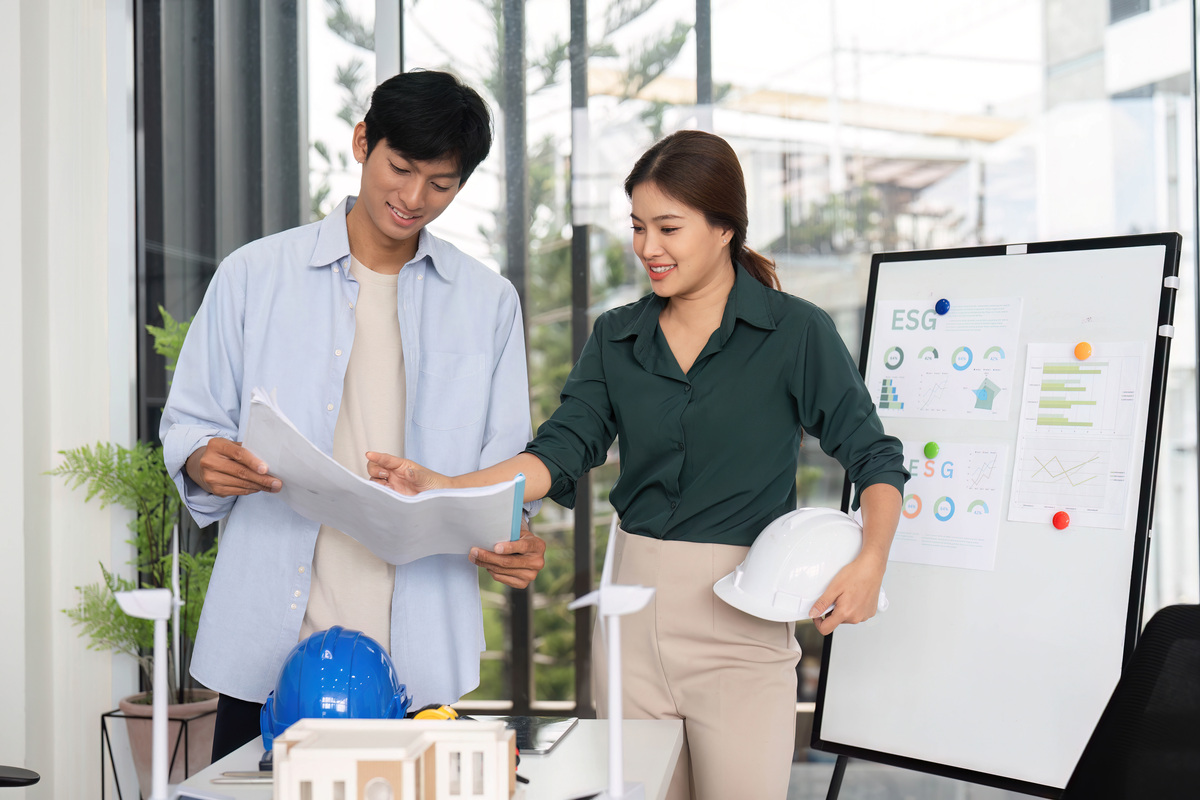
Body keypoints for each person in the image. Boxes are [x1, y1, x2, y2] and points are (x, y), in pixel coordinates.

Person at [366, 130, 908, 800]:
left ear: (724, 228)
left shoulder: (795, 332)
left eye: (669, 227)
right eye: (639, 227)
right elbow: (561, 450)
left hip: (743, 630)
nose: (649, 247)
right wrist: (447, 486)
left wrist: (871, 558)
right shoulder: (617, 337)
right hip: (630, 625)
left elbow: (875, 455)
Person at [160, 70, 546, 761]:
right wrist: (200, 457)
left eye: (441, 184)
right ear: (362, 141)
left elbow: (502, 476)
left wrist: (513, 536)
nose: (412, 198)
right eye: (400, 168)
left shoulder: (489, 304)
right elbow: (189, 420)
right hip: (268, 637)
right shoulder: (254, 276)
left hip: (419, 648)